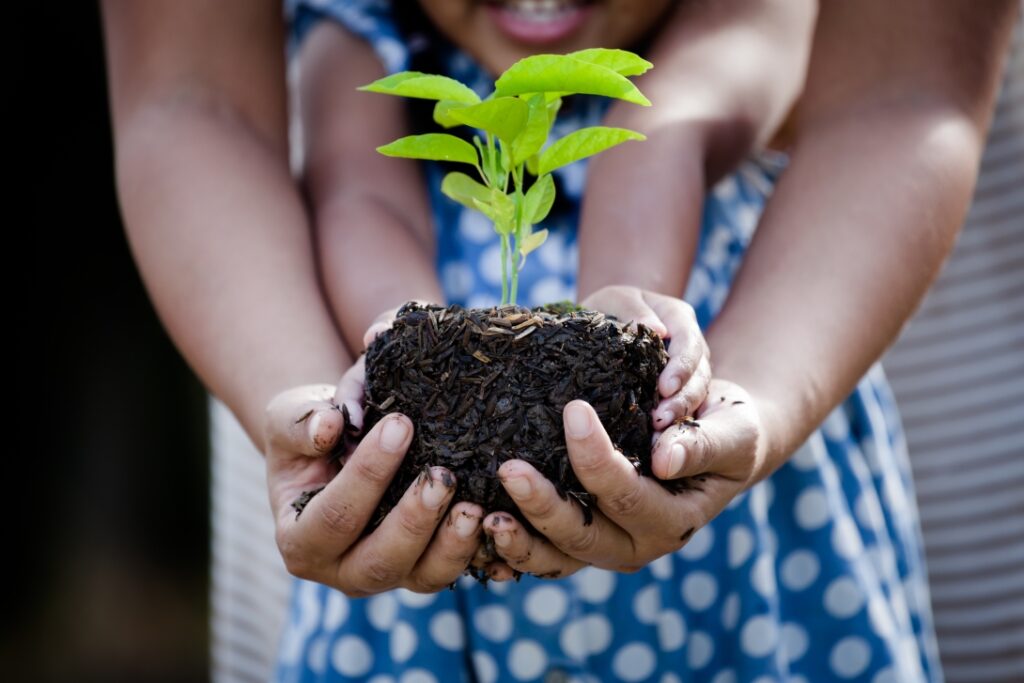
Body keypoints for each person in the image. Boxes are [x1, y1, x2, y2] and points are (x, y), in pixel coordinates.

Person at [98, 1, 1017, 681]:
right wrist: (402, 346)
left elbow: (656, 144)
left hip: (749, 549)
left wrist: (623, 315)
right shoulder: (361, 36)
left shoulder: (740, 19)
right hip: (418, 580)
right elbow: (357, 194)